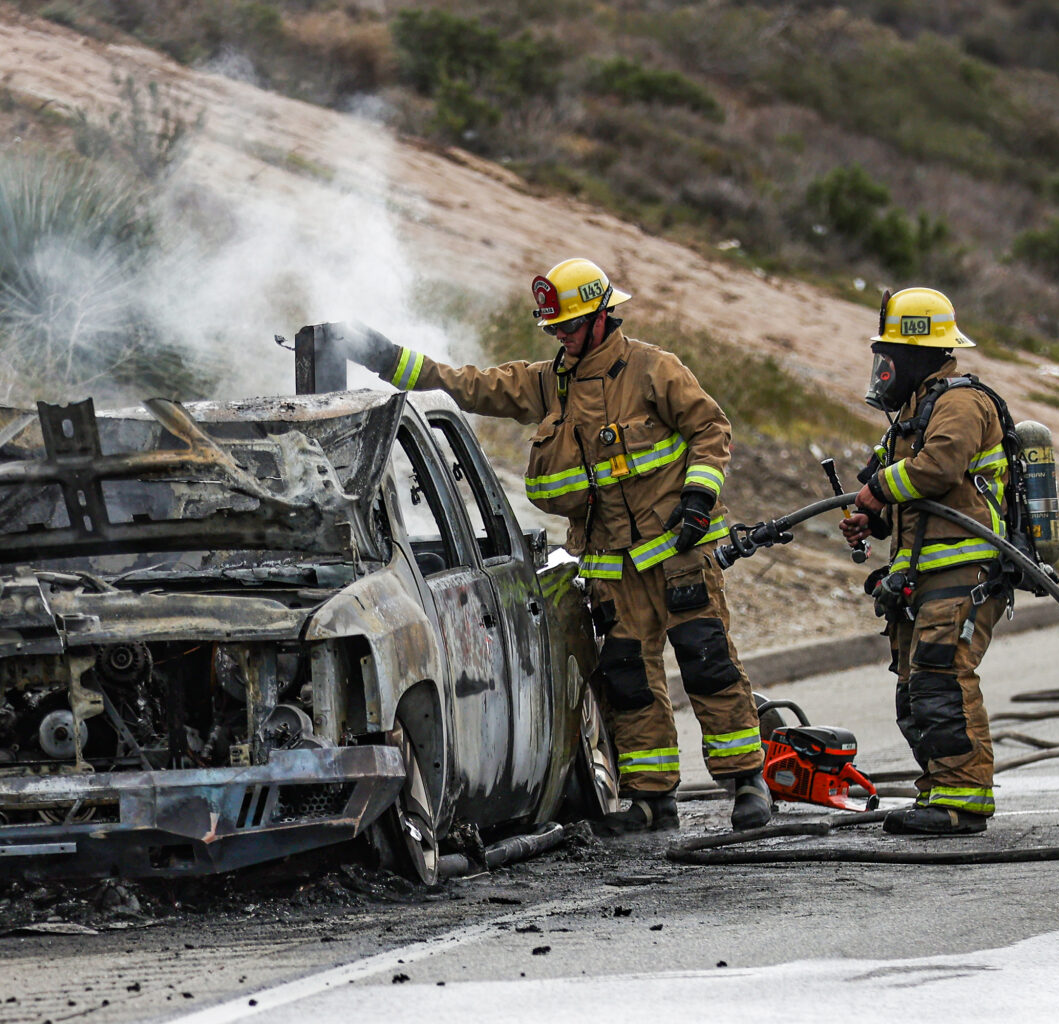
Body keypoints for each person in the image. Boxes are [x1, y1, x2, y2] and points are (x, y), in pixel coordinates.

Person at [327, 257, 772, 833]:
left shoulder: (653, 370)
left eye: (567, 326)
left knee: (708, 665)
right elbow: (470, 385)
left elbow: (711, 429)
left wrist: (697, 498)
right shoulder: (550, 382)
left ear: (601, 318)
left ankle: (746, 784)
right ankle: (652, 800)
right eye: (553, 329)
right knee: (628, 681)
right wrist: (387, 359)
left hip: (679, 552)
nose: (559, 337)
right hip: (613, 566)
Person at [841, 286, 1007, 836]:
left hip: (963, 569)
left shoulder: (961, 403)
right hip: (922, 570)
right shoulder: (912, 414)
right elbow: (912, 500)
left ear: (920, 352)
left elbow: (936, 469)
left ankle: (963, 800)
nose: (884, 366)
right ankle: (940, 789)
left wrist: (877, 491)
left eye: (892, 354)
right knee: (915, 685)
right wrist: (875, 518)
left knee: (941, 673)